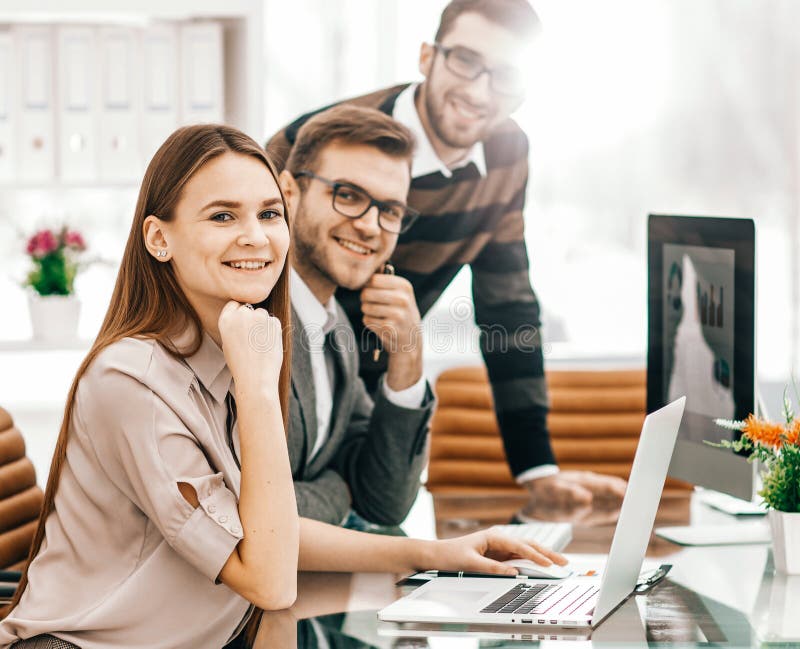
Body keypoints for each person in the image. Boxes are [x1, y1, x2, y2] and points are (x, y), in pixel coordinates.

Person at [0, 124, 565, 649]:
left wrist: (437, 553)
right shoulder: (132, 381)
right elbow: (270, 580)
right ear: (158, 238)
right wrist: (257, 387)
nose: (256, 238)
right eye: (222, 217)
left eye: (268, 215)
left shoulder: (227, 351)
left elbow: (263, 532)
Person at [267, 0, 628, 513]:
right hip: (280, 379)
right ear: (426, 57)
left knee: (379, 510)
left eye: (505, 76)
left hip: (372, 396)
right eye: (465, 61)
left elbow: (509, 306)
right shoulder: (320, 142)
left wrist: (536, 467)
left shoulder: (507, 155)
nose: (480, 92)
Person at [281, 105, 433, 528]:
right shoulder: (243, 317)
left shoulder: (337, 330)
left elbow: (382, 499)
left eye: (390, 210)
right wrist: (336, 493)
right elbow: (243, 510)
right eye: (347, 195)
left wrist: (407, 360)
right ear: (288, 195)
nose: (370, 226)